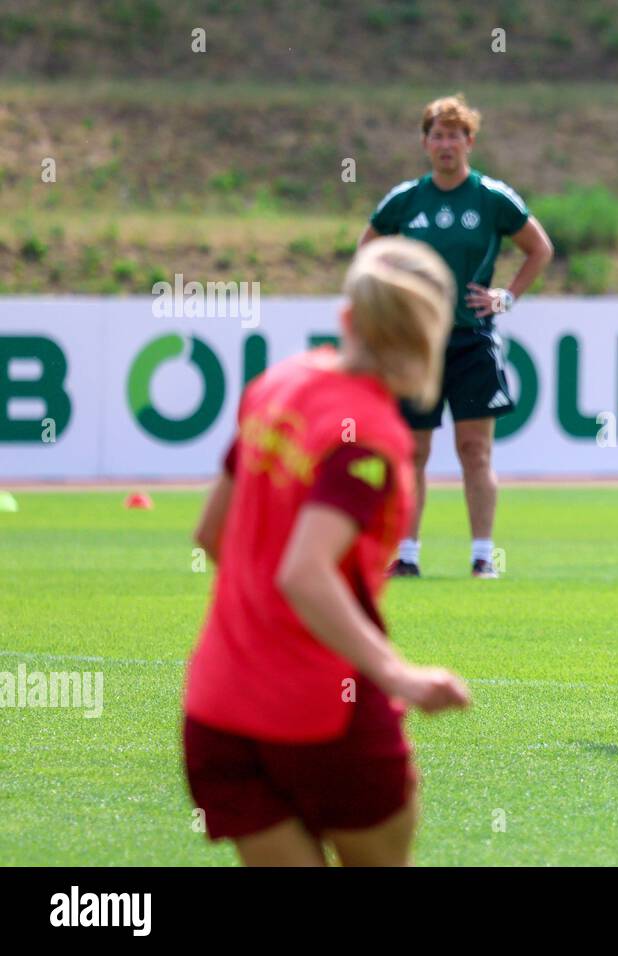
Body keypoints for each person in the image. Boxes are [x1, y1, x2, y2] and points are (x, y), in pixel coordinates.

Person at [183, 237, 472, 866]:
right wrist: (400, 675)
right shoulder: (369, 435)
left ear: (348, 318)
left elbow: (211, 534)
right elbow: (305, 575)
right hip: (323, 714)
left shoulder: (278, 384)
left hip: (218, 713)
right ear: (429, 336)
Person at [359, 93, 554, 579]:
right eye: (437, 135)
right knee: (413, 451)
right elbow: (366, 254)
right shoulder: (406, 200)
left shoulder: (491, 197)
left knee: (474, 450)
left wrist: (506, 296)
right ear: (425, 143)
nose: (446, 144)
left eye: (454, 134)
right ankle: (406, 554)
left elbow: (539, 248)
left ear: (470, 141)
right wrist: (392, 300)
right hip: (416, 344)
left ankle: (483, 555)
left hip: (471, 341)